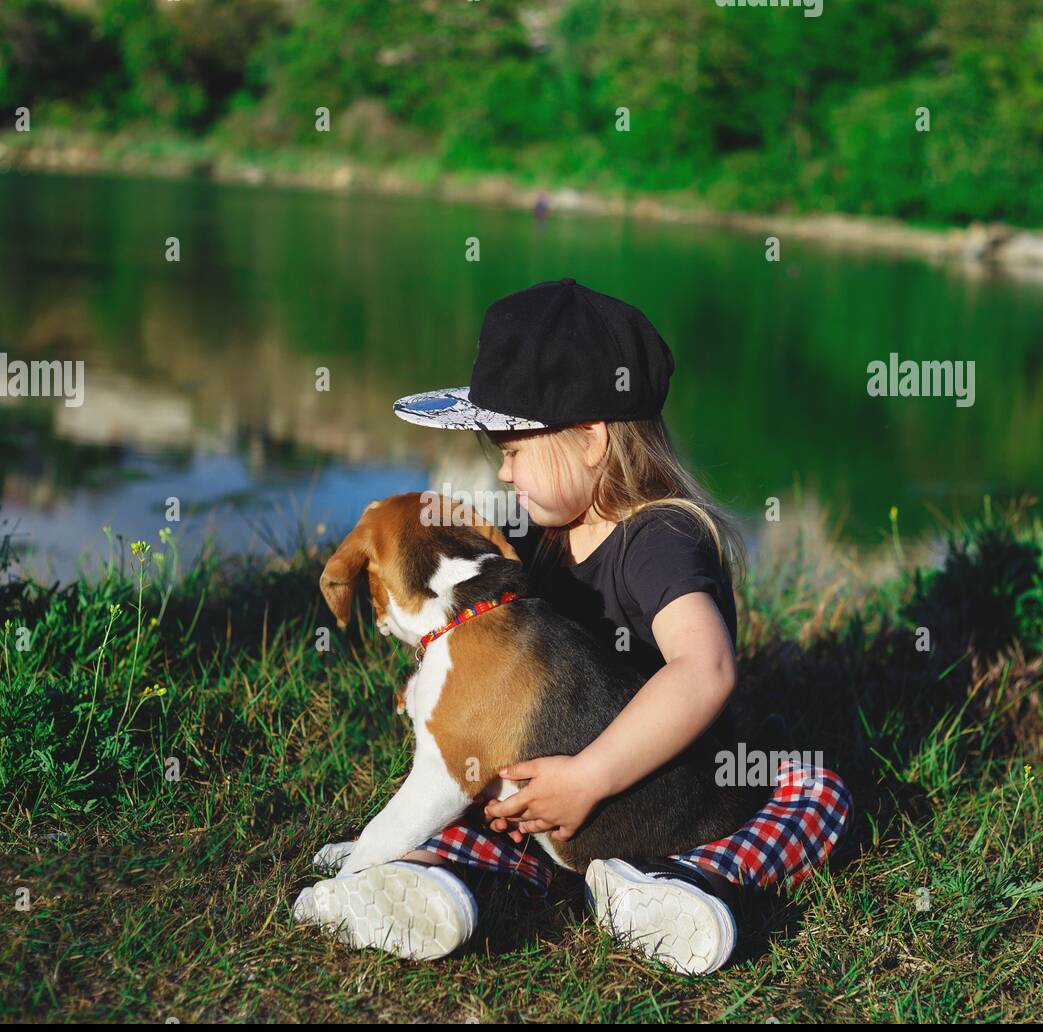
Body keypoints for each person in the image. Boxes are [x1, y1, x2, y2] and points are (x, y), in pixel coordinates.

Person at [294, 278, 853, 974]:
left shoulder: (662, 539)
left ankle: (694, 883)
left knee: (815, 789)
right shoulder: (539, 536)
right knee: (473, 807)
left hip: (675, 803)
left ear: (590, 438)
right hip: (558, 812)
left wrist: (588, 776)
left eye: (515, 448)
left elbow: (704, 669)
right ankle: (428, 885)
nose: (503, 472)